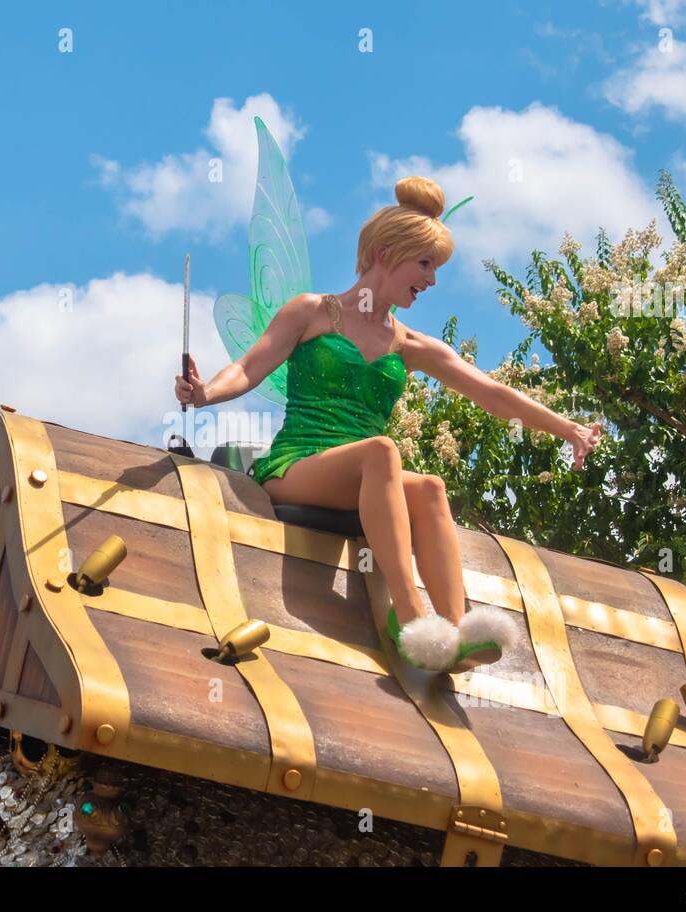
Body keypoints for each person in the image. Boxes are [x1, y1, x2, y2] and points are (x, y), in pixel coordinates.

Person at [175, 176, 602, 672]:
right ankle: (413, 617)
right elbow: (249, 369)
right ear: (383, 253)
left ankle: (456, 629)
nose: (433, 280)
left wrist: (567, 429)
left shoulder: (410, 344)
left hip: (367, 477)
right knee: (381, 451)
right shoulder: (312, 311)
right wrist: (205, 394)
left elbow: (492, 393)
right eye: (425, 264)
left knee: (431, 488)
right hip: (297, 466)